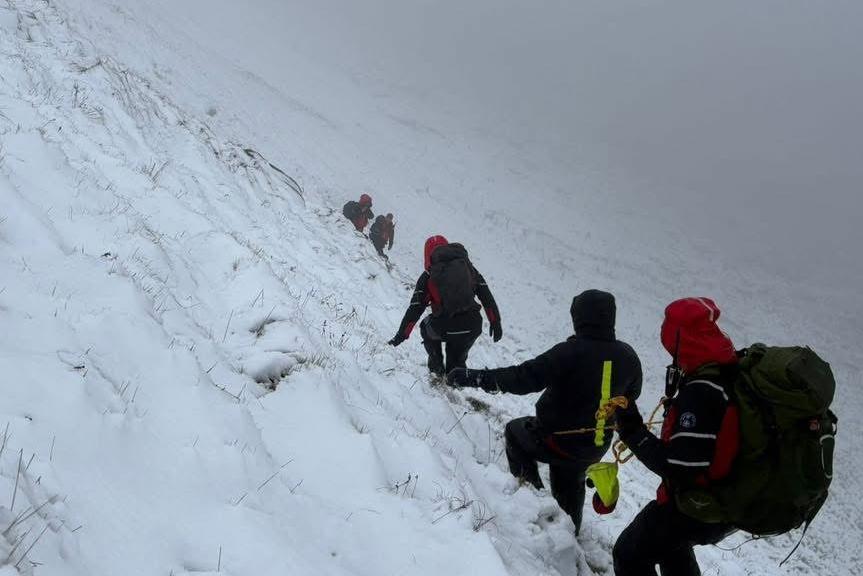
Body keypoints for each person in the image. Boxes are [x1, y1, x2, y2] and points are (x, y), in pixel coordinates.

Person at [448, 289, 642, 536]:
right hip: (596, 445)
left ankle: (533, 497)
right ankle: (569, 535)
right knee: (571, 480)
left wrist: (474, 377)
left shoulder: (569, 352)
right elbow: (632, 396)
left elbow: (522, 379)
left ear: (579, 318)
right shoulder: (629, 357)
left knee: (515, 432)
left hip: (557, 439)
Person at [612, 297, 739, 576]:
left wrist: (633, 431)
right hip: (730, 500)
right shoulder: (727, 367)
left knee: (629, 554)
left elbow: (681, 467)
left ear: (678, 339)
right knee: (672, 547)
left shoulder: (703, 390)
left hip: (702, 505)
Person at [388, 235, 501, 376]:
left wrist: (401, 336)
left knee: (425, 326)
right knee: (456, 362)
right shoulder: (468, 268)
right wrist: (496, 322)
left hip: (446, 327)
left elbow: (415, 310)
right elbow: (486, 297)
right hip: (473, 326)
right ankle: (457, 378)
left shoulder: (428, 277)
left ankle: (437, 370)